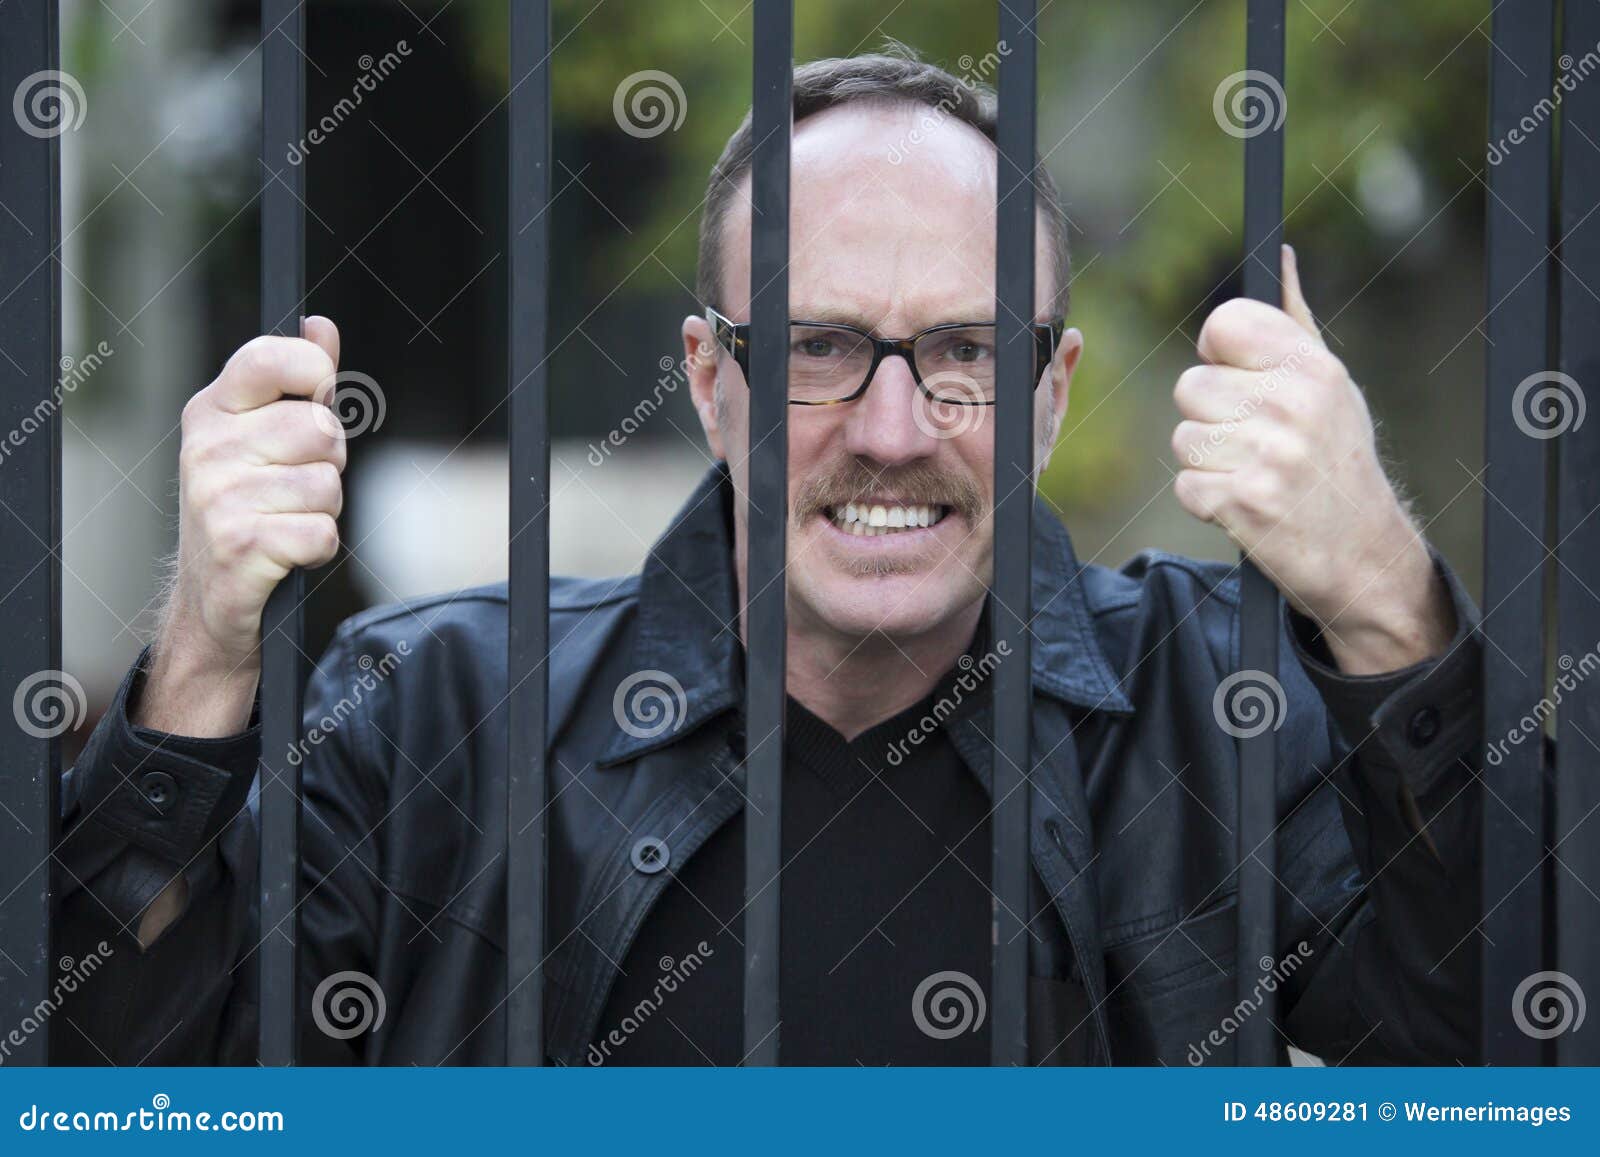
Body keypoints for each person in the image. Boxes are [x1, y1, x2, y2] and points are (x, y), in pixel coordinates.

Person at [54, 49, 1482, 1066]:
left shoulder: (1214, 701)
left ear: (1053, 391)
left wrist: (1383, 602)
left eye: (968, 350)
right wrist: (205, 654)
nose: (893, 425)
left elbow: (1500, 1047)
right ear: (708, 377)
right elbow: (125, 1086)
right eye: (818, 346)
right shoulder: (431, 710)